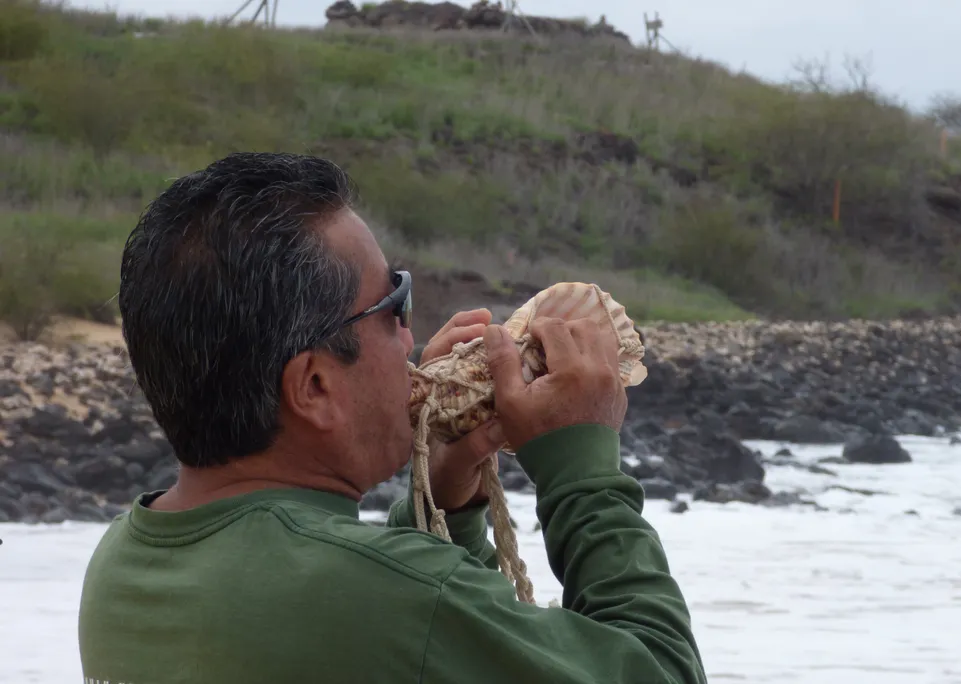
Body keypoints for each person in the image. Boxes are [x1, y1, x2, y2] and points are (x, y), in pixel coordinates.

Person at [77, 152, 707, 684]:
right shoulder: (392, 597)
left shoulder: (122, 562)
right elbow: (662, 670)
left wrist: (445, 498)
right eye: (393, 305)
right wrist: (582, 466)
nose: (411, 340)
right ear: (315, 387)